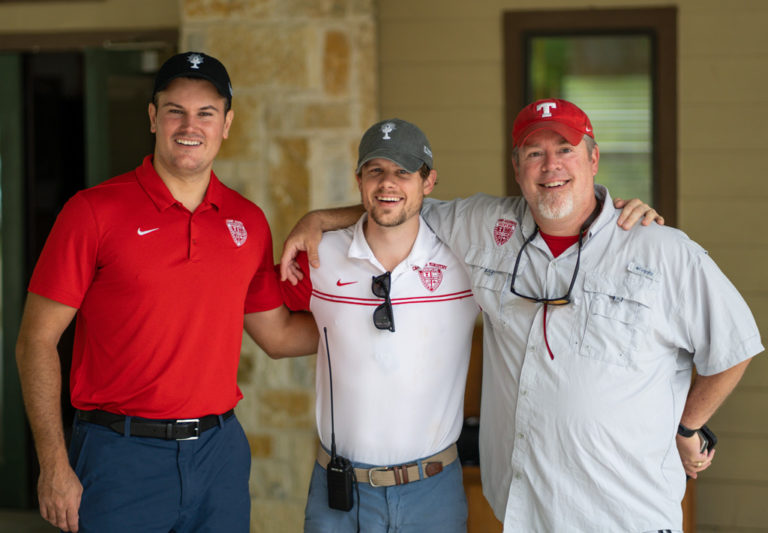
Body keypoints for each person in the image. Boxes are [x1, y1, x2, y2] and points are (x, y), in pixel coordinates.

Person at [280, 99, 763, 532]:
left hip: (625, 511)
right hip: (525, 511)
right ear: (517, 167)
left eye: (566, 149)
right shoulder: (485, 226)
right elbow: (397, 205)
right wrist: (317, 220)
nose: (550, 166)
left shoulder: (661, 250)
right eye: (534, 153)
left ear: (593, 159)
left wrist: (687, 427)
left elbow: (734, 347)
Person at [15, 51, 318, 533]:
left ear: (227, 123)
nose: (188, 125)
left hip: (219, 455)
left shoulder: (248, 221)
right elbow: (35, 340)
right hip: (120, 456)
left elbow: (279, 336)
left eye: (206, 113)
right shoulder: (93, 212)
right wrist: (53, 463)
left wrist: (361, 324)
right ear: (154, 117)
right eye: (175, 110)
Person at [277, 118, 479, 532]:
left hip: (430, 491)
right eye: (376, 171)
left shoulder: (468, 258)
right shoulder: (318, 254)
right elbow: (270, 327)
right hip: (339, 491)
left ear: (429, 181)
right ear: (359, 180)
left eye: (404, 172)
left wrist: (611, 212)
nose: (388, 182)